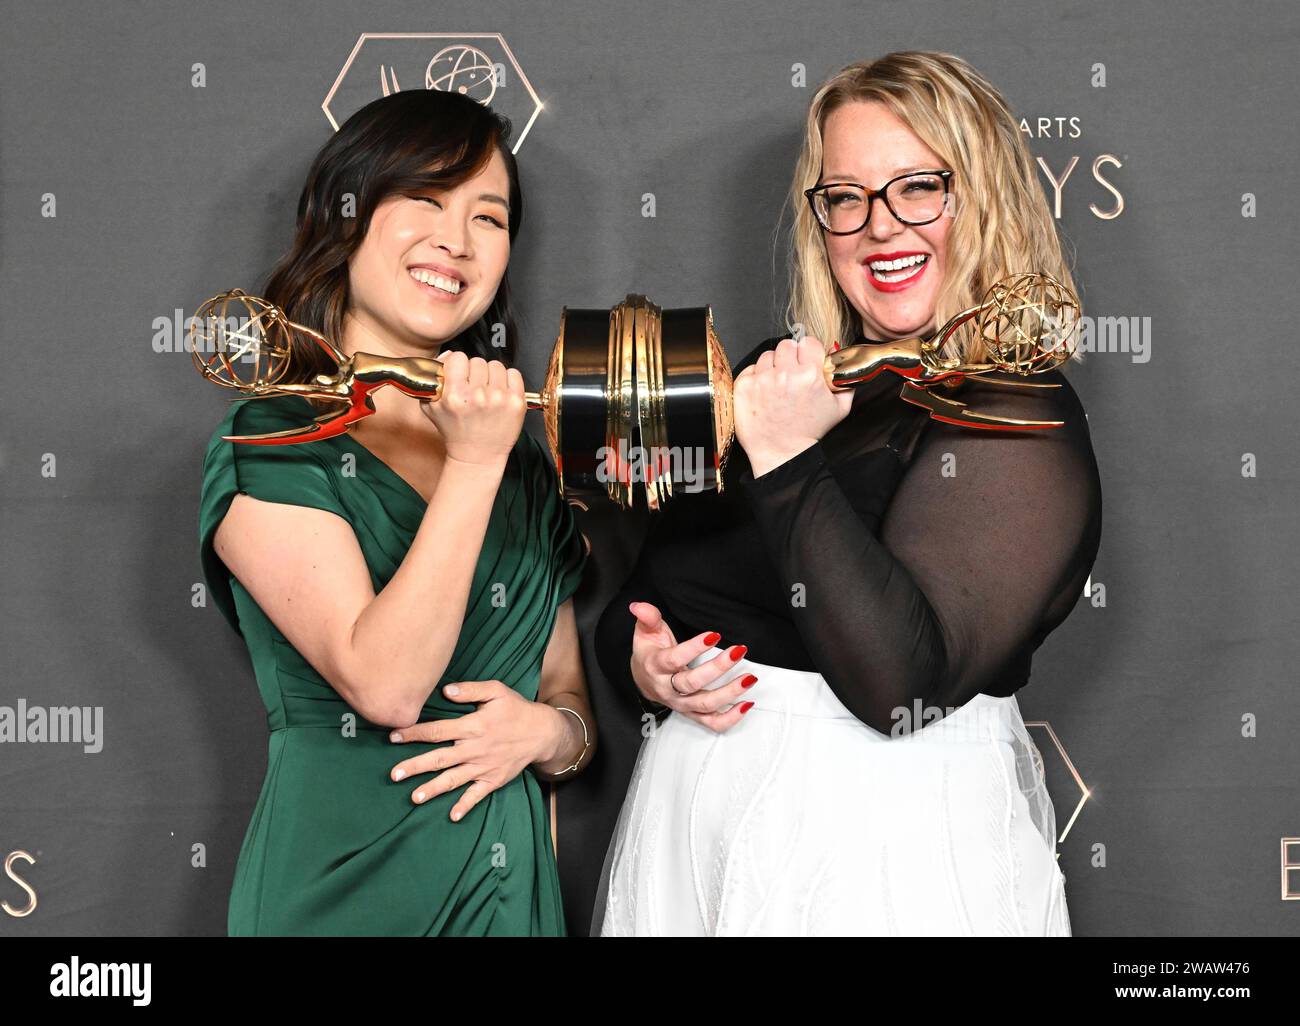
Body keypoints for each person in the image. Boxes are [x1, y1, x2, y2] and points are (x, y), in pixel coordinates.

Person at [591, 51, 1102, 936]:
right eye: (847, 197)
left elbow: (899, 683)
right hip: (692, 822)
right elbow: (651, 594)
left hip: (880, 845)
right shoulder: (779, 373)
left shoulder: (1016, 411)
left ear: (984, 195)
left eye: (916, 188)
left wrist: (786, 459)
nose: (878, 227)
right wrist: (647, 669)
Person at [197, 89, 596, 936]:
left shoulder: (524, 456)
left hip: (506, 890)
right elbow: (385, 683)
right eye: (425, 199)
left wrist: (545, 736)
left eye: (488, 218)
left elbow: (568, 697)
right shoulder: (271, 438)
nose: (456, 240)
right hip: (343, 889)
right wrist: (474, 460)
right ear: (347, 211)